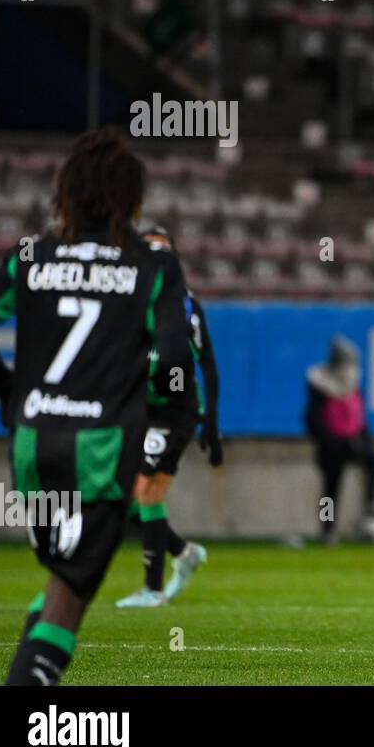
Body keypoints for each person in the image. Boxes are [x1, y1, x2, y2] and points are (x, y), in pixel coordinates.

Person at [0, 128, 192, 685]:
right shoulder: (152, 267)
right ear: (130, 199)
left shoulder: (33, 256)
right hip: (100, 452)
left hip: (31, 447)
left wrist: (7, 390)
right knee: (68, 604)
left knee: (61, 586)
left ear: (65, 194)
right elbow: (173, 359)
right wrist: (165, 417)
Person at [115, 226, 222, 608]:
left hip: (174, 412)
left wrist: (211, 421)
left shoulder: (186, 305)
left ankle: (152, 588)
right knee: (125, 496)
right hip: (140, 411)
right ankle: (183, 553)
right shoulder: (129, 299)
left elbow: (206, 361)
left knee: (145, 490)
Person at [304, 335, 374, 544]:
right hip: (330, 445)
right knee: (330, 489)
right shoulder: (319, 383)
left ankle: (370, 510)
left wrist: (364, 439)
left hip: (353, 440)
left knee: (373, 462)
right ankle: (327, 528)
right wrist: (327, 441)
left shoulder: (353, 383)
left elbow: (359, 416)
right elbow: (313, 418)